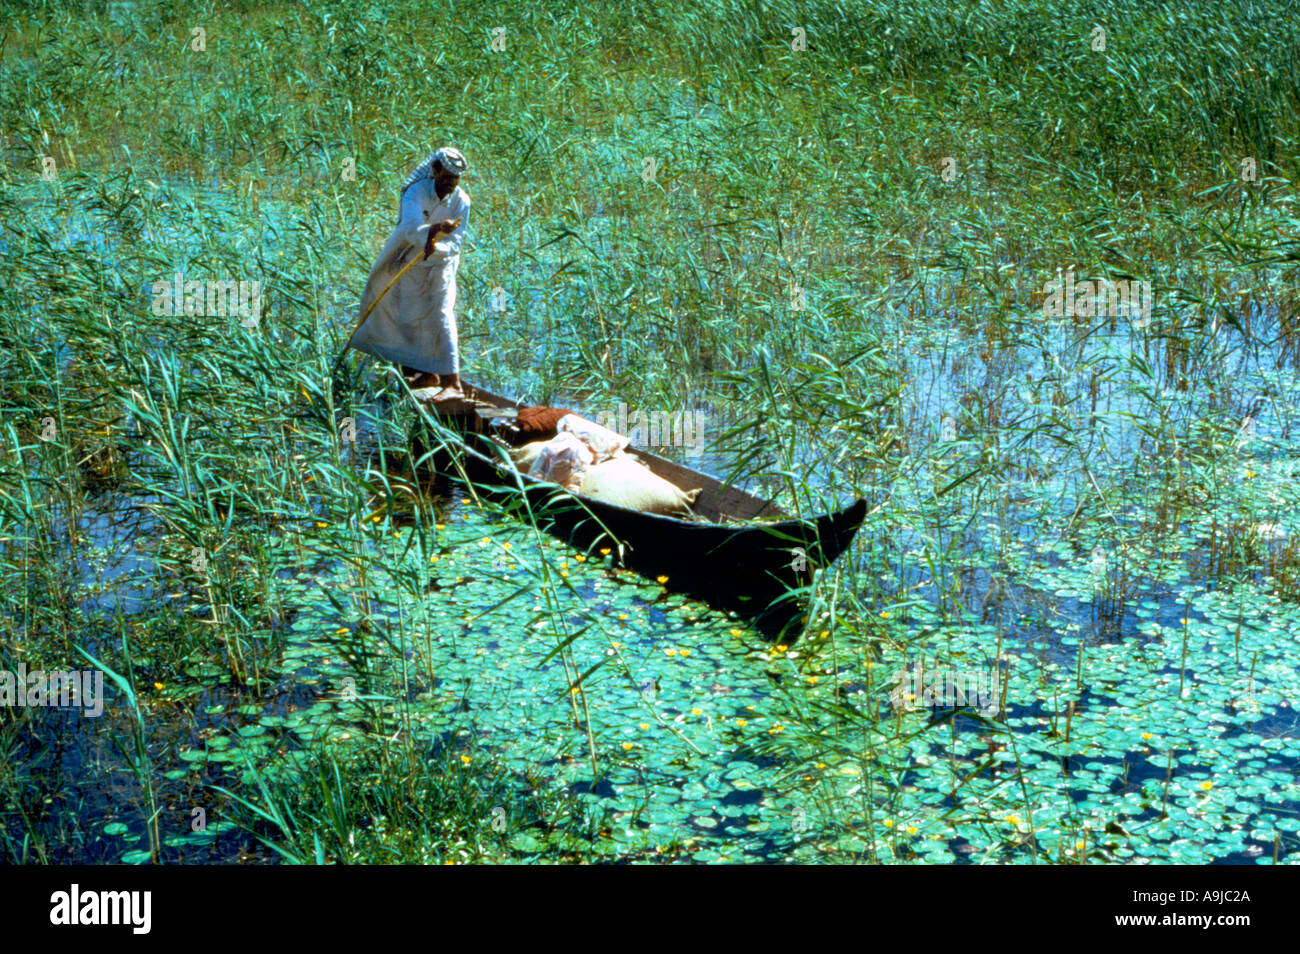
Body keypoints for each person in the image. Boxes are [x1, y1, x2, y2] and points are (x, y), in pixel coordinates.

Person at [350, 146, 471, 399]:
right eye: (446, 175)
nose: (450, 182)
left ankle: (453, 383)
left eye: (455, 178)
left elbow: (456, 243)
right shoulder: (416, 192)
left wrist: (434, 246)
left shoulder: (462, 201)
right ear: (434, 171)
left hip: (441, 265)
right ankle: (429, 373)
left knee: (440, 315)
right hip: (411, 261)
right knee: (409, 314)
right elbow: (410, 230)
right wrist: (434, 229)